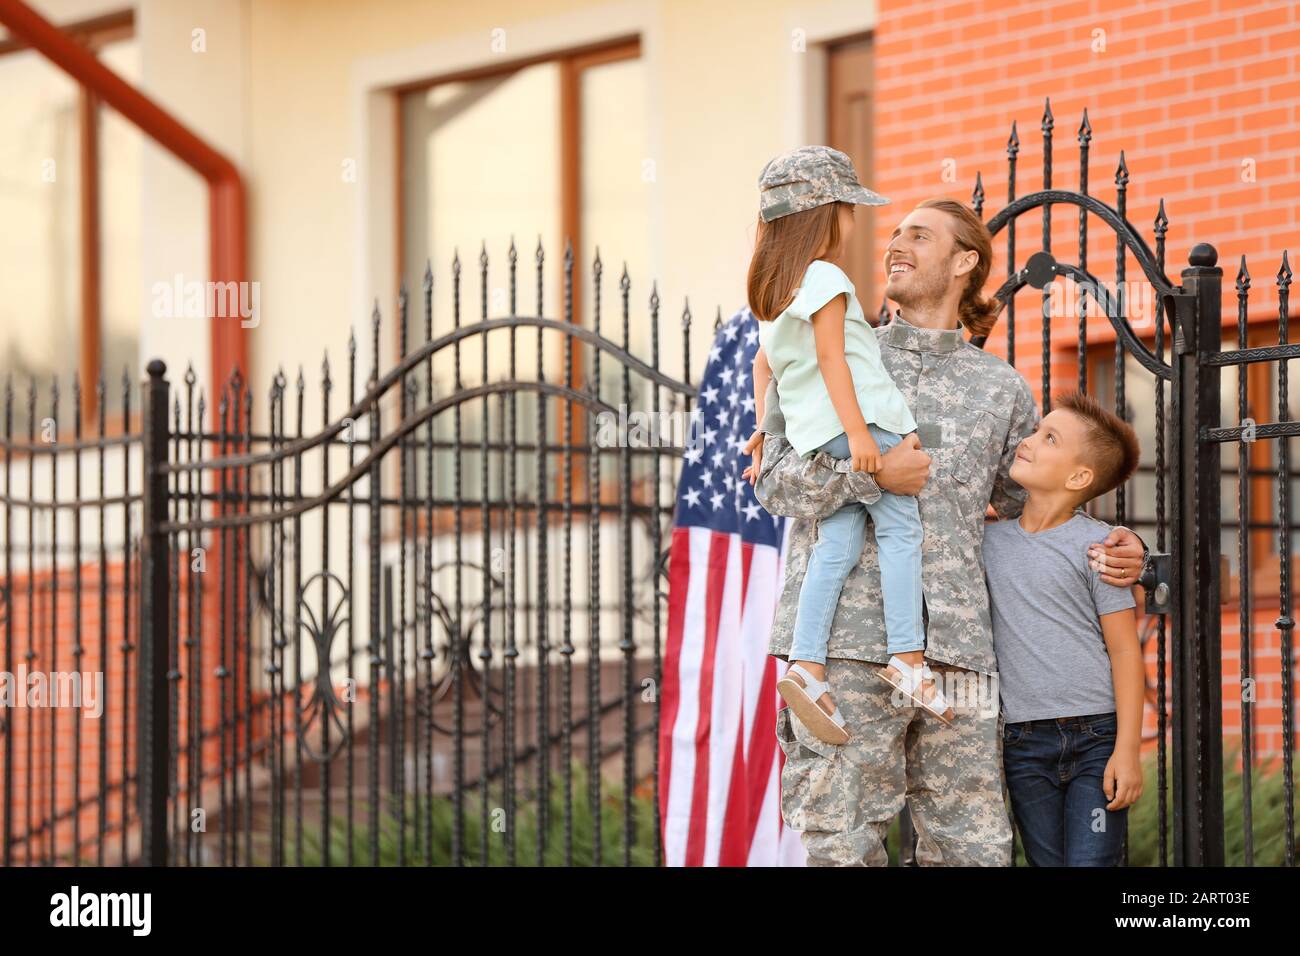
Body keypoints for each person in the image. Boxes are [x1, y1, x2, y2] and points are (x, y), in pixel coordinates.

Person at [745, 195, 1147, 866]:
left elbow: (1038, 509)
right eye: (894, 233)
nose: (895, 245)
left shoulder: (1003, 390)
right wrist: (869, 477)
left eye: (919, 236)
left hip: (959, 658)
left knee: (976, 850)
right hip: (846, 647)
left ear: (965, 262)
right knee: (845, 846)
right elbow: (774, 483)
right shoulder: (832, 349)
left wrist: (1120, 545)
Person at [745, 145, 950, 749]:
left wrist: (766, 427)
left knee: (835, 542)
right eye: (847, 209)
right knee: (900, 529)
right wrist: (862, 434)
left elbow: (767, 367)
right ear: (824, 215)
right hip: (864, 423)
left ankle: (806, 666)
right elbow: (834, 357)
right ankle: (909, 658)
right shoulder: (826, 277)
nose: (854, 222)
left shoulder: (771, 289)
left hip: (812, 433)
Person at [983, 390, 1145, 866]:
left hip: (1097, 737)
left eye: (1048, 437)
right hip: (1022, 742)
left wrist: (1128, 751)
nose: (1028, 441)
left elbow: (1124, 652)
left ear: (1079, 476)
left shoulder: (1099, 547)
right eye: (1036, 431)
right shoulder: (986, 542)